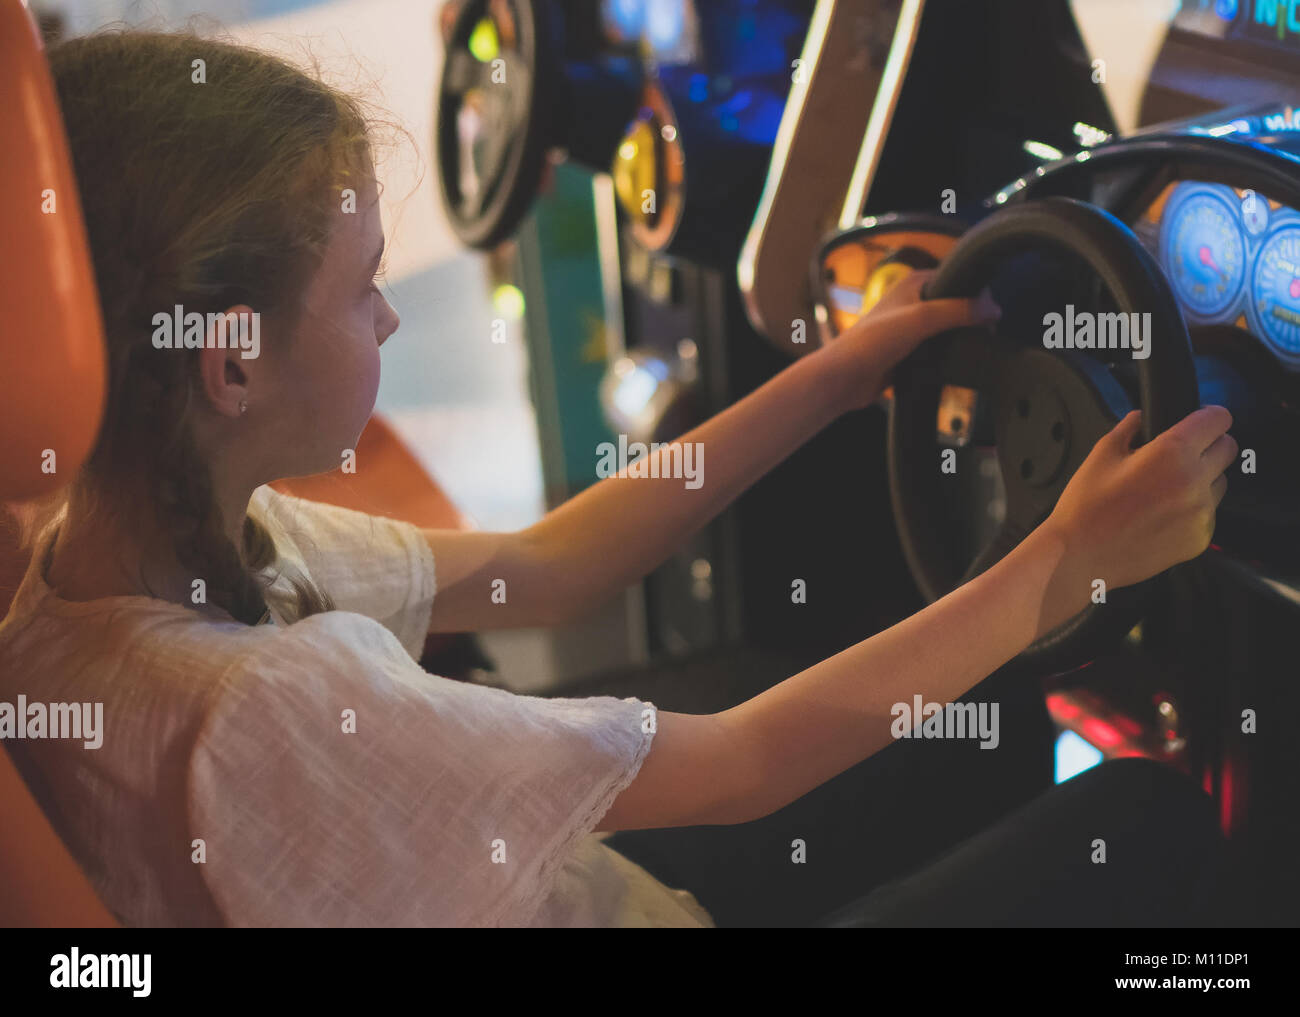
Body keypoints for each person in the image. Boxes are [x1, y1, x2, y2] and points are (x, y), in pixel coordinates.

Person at [0, 28, 1234, 927]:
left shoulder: (107, 564)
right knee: (1150, 818)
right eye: (362, 282)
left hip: (583, 889)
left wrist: (832, 373)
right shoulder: (266, 709)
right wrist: (1072, 557)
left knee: (988, 714)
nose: (385, 320)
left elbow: (549, 567)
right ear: (230, 368)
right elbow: (742, 765)